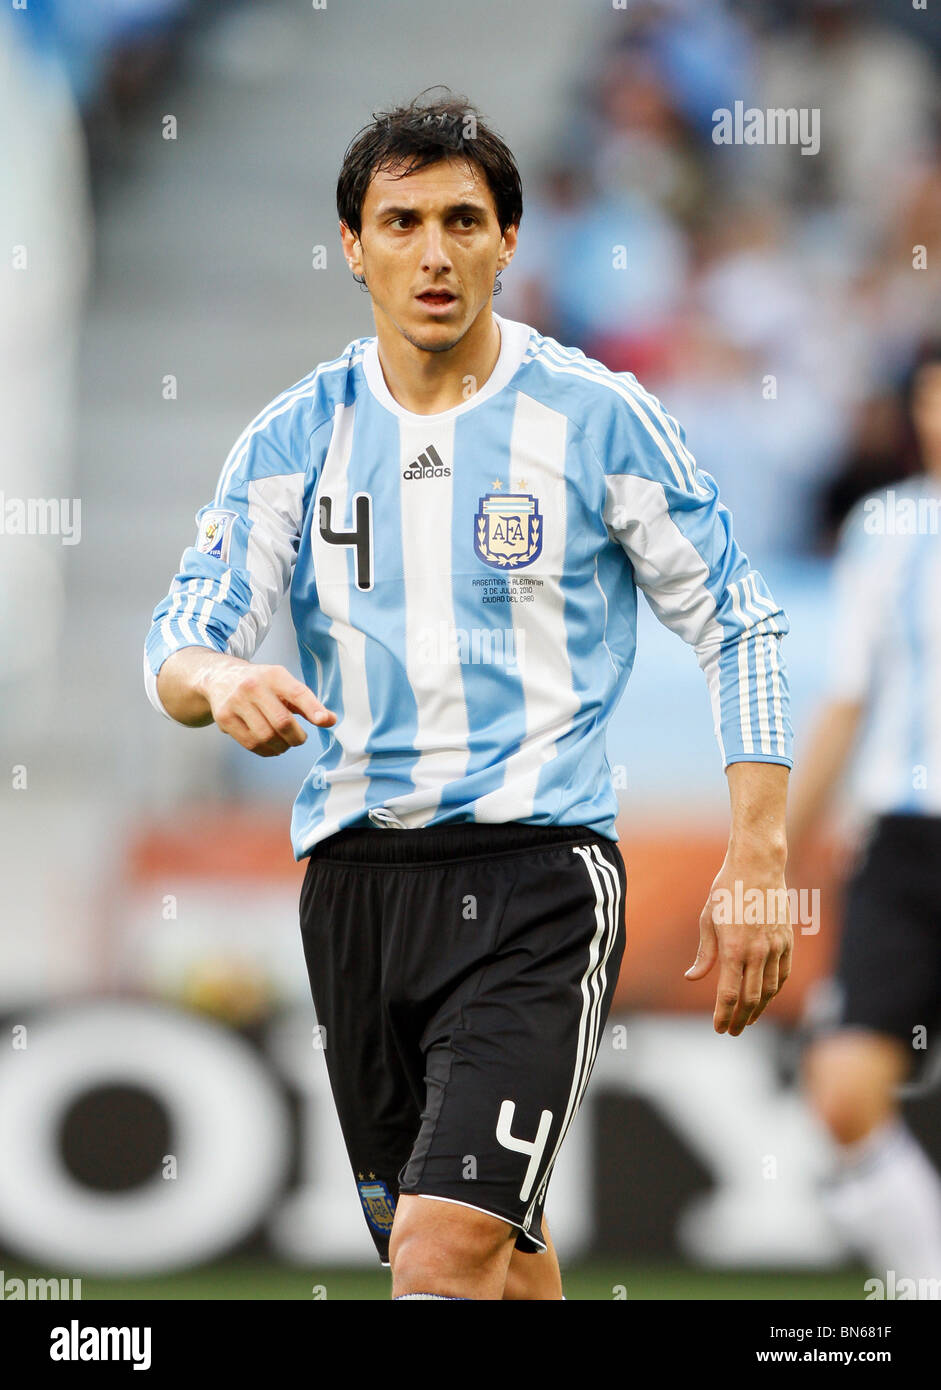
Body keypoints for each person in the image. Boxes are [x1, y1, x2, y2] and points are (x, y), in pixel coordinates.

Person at [143, 91, 794, 1301]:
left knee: (438, 1254)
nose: (433, 253)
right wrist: (222, 677)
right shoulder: (294, 437)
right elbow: (181, 639)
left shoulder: (595, 418)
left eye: (462, 220)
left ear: (507, 241)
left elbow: (738, 622)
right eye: (401, 223)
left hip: (534, 882)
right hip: (353, 888)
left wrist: (757, 857)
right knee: (496, 1265)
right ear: (353, 247)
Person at [788, 341, 941, 1297]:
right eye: (930, 398)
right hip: (903, 842)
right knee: (843, 1090)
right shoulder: (886, 527)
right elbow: (844, 699)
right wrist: (767, 855)